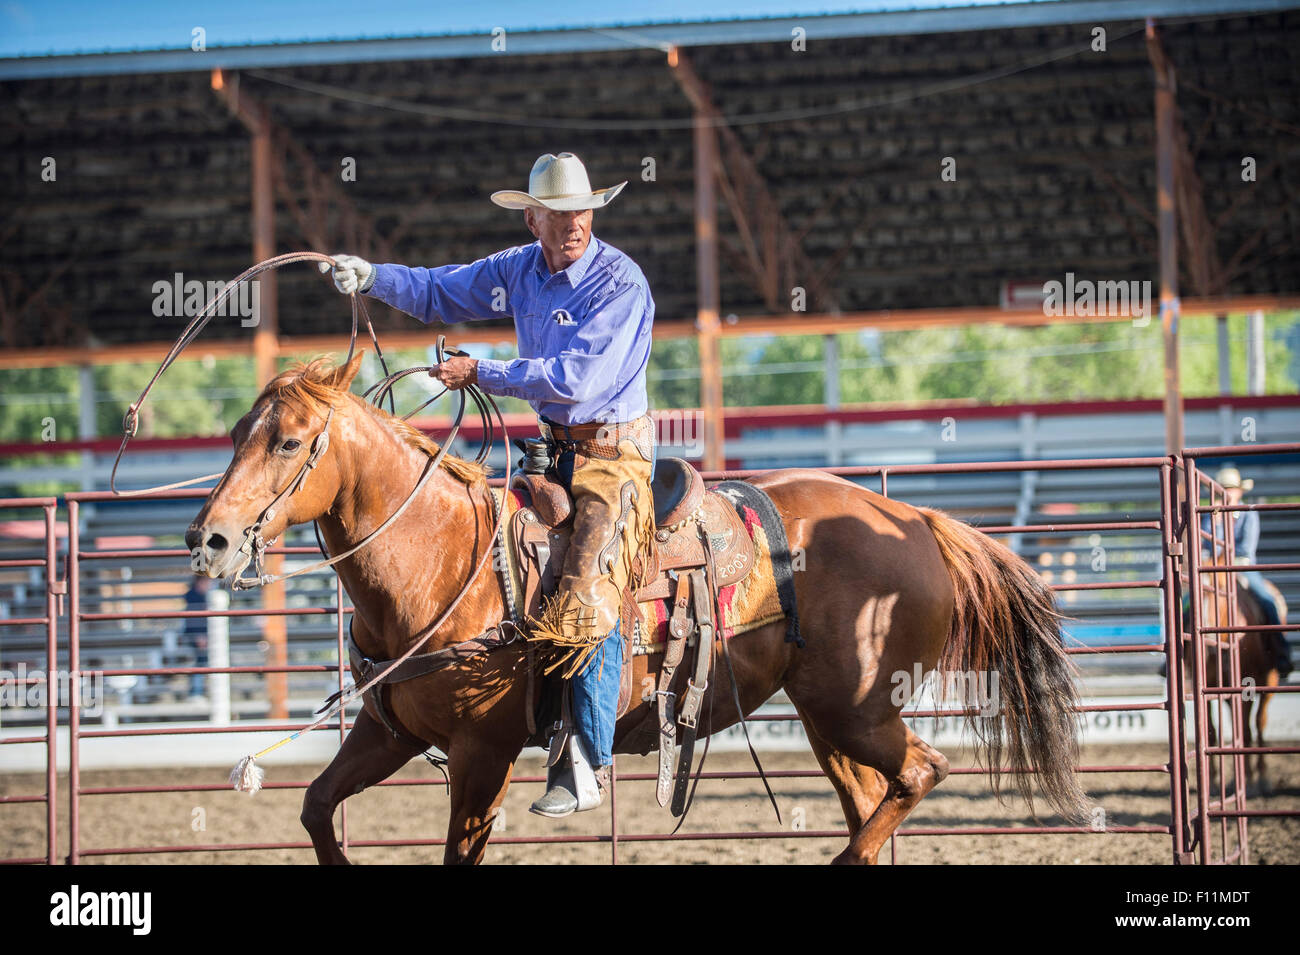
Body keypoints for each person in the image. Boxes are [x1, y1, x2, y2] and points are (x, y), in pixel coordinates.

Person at [323, 152, 657, 816]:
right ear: (531, 217)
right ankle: (511, 704)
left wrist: (482, 371)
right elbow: (440, 289)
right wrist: (373, 276)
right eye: (557, 214)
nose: (571, 225)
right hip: (553, 453)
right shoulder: (519, 268)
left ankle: (588, 758)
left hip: (614, 459)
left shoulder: (621, 283)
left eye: (581, 212)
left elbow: (577, 380)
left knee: (589, 585)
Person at [1202, 466, 1290, 677]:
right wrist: (1217, 522)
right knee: (1189, 602)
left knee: (1266, 599)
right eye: (1223, 488)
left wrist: (1225, 555)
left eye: (1231, 489)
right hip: (1214, 567)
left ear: (1240, 491)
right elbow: (1204, 542)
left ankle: (1281, 652)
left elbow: (1246, 547)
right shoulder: (1210, 515)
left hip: (1242, 565)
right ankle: (1176, 657)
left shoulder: (1249, 514)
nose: (1228, 493)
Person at [182, 575, 212, 699]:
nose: (209, 586)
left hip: (198, 635)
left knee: (201, 663)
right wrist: (199, 636)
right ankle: (196, 692)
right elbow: (194, 621)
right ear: (200, 583)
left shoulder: (197, 598)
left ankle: (197, 692)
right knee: (200, 663)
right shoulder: (195, 600)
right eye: (207, 583)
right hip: (197, 636)